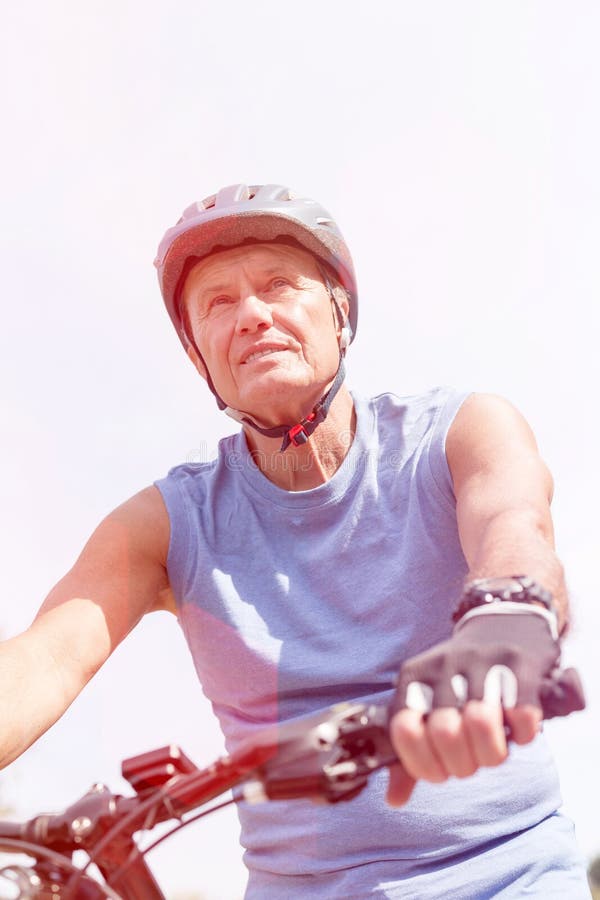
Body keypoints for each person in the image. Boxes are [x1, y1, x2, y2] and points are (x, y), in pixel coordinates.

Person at [0, 183, 589, 898]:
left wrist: (505, 615)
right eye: (217, 303)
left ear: (340, 313)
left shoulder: (457, 432)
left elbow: (514, 527)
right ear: (200, 358)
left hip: (508, 879)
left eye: (279, 284)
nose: (251, 314)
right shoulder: (168, 521)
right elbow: (45, 659)